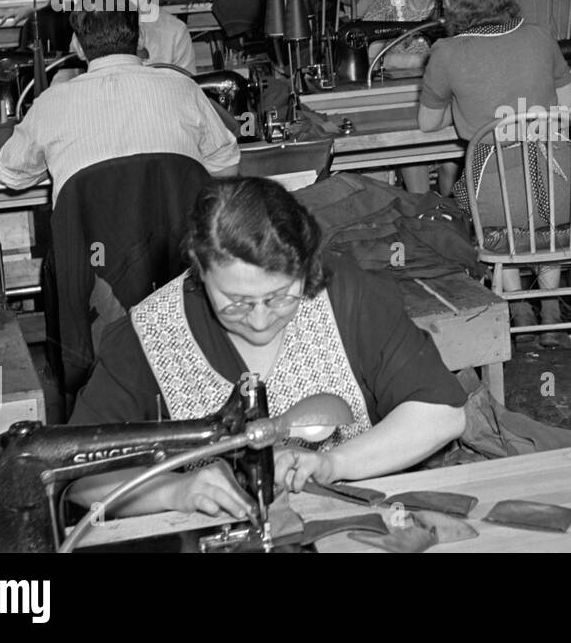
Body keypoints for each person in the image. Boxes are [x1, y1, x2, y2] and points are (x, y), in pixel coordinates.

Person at [67, 176, 468, 517]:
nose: (260, 320)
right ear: (199, 268)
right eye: (237, 302)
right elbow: (81, 476)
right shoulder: (149, 335)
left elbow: (441, 413)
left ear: (306, 267)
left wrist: (334, 462)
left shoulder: (345, 294)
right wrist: (175, 492)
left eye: (280, 297)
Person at [418, 0, 571, 332]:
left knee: (497, 203)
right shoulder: (540, 36)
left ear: (451, 0)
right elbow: (569, 108)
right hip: (562, 198)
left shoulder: (446, 53)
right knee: (543, 201)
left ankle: (517, 307)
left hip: (495, 204)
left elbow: (427, 124)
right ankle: (551, 306)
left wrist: (461, 103)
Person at [0, 0, 240, 199]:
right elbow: (227, 167)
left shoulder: (49, 106)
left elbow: (11, 174)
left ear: (77, 47)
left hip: (93, 255)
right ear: (141, 38)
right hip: (174, 252)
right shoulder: (184, 89)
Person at [361, 0, 458, 196]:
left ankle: (447, 217)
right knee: (411, 149)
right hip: (402, 103)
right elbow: (368, 56)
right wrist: (420, 61)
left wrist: (394, 59)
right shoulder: (387, 4)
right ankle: (423, 214)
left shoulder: (451, 2)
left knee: (451, 164)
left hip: (450, 101)